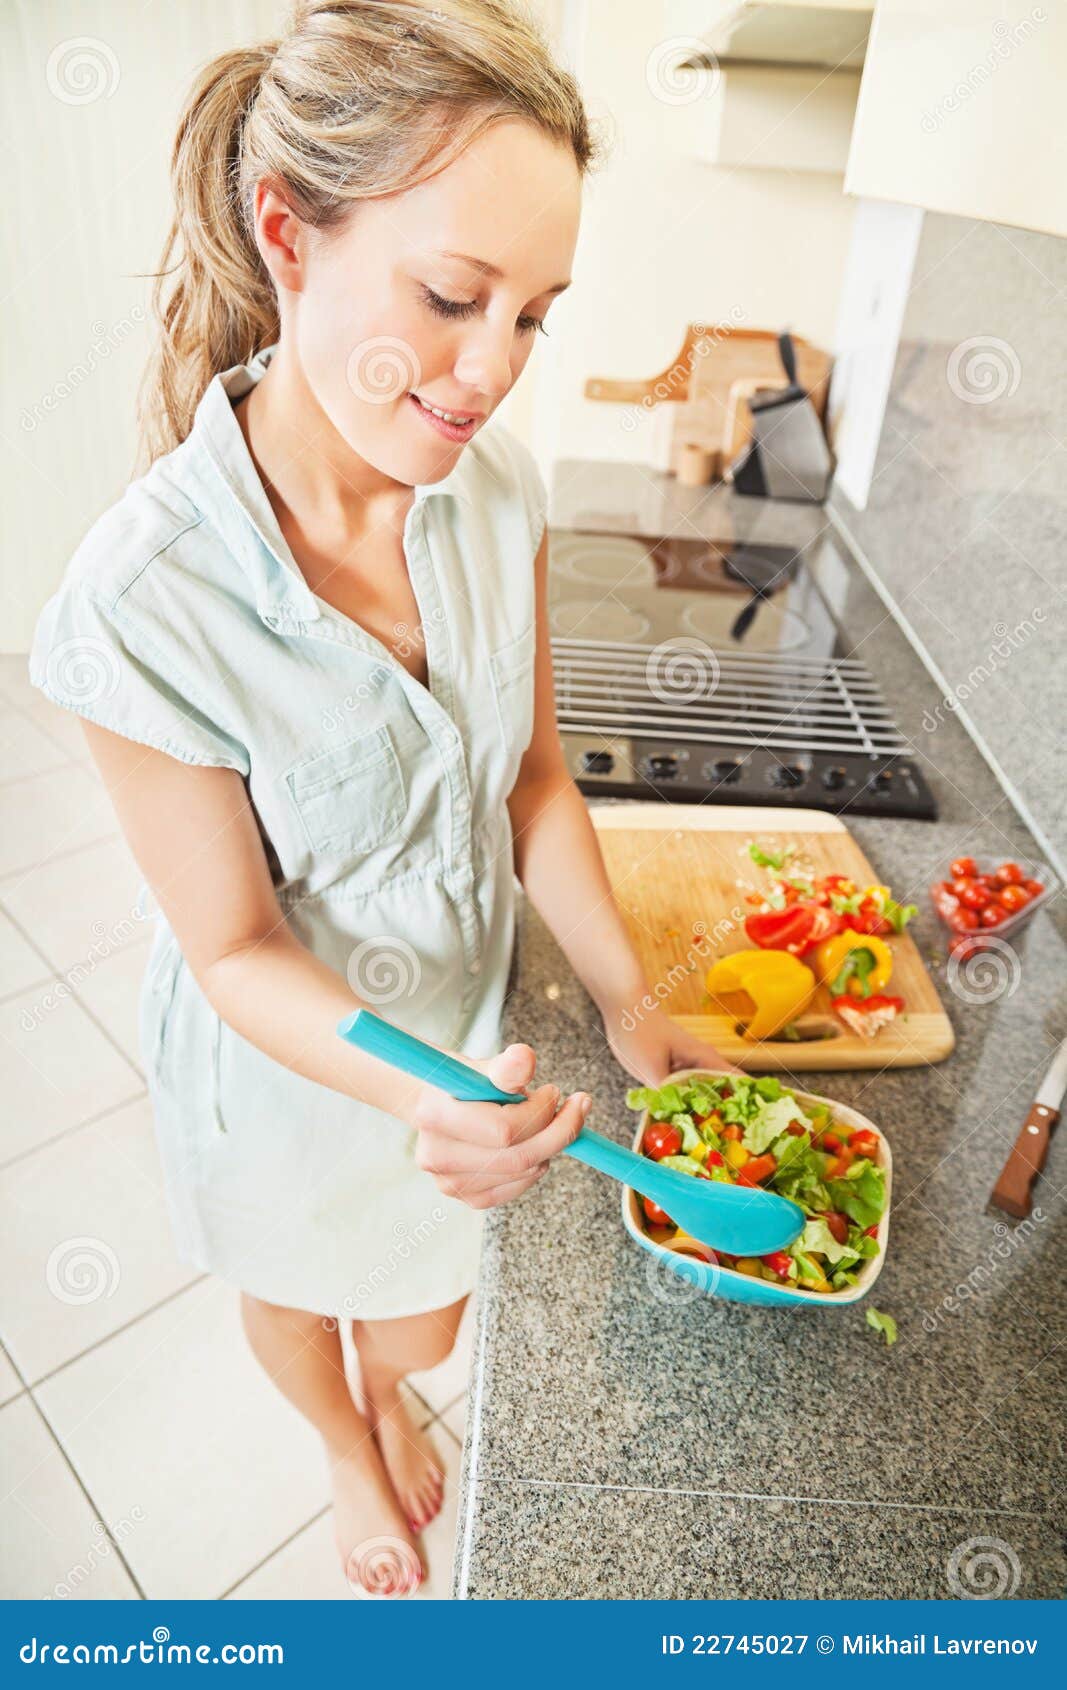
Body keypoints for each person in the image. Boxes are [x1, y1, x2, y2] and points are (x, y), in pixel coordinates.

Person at [29, 0, 727, 1597]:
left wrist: (626, 997)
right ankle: (344, 1441)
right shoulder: (144, 601)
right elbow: (233, 949)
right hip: (289, 1067)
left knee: (416, 1307)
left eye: (537, 316)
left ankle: (393, 1380)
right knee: (289, 1277)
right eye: (452, 296)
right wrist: (413, 1094)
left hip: (461, 1029)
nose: (496, 372)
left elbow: (532, 773)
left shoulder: (499, 496)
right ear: (287, 233)